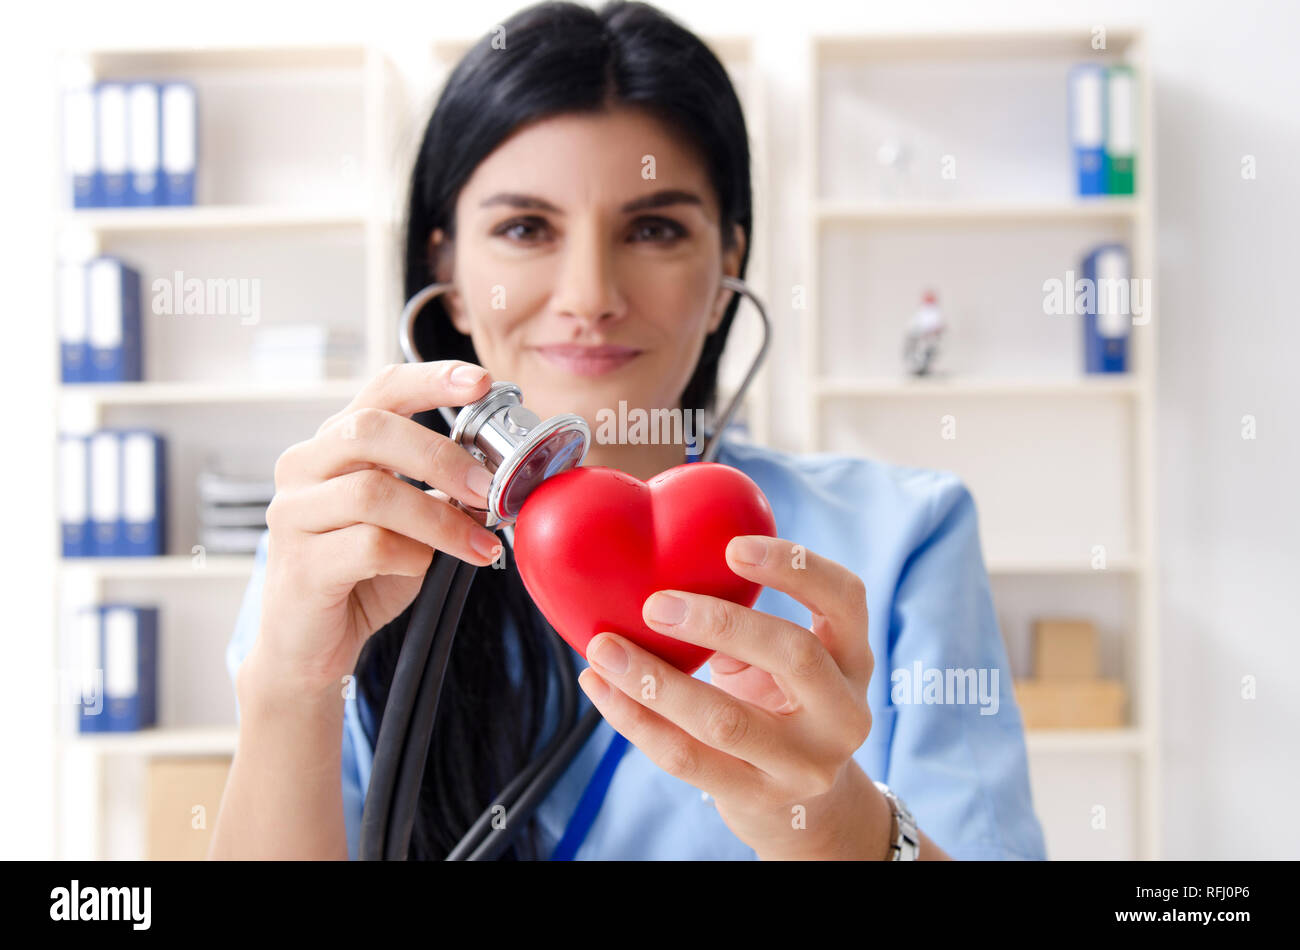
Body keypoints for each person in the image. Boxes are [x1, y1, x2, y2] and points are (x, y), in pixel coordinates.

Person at [208, 0, 1047, 861]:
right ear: (448, 274)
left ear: (728, 266)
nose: (589, 294)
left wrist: (835, 824)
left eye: (653, 228)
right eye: (525, 228)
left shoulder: (906, 533)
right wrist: (288, 692)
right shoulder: (343, 539)